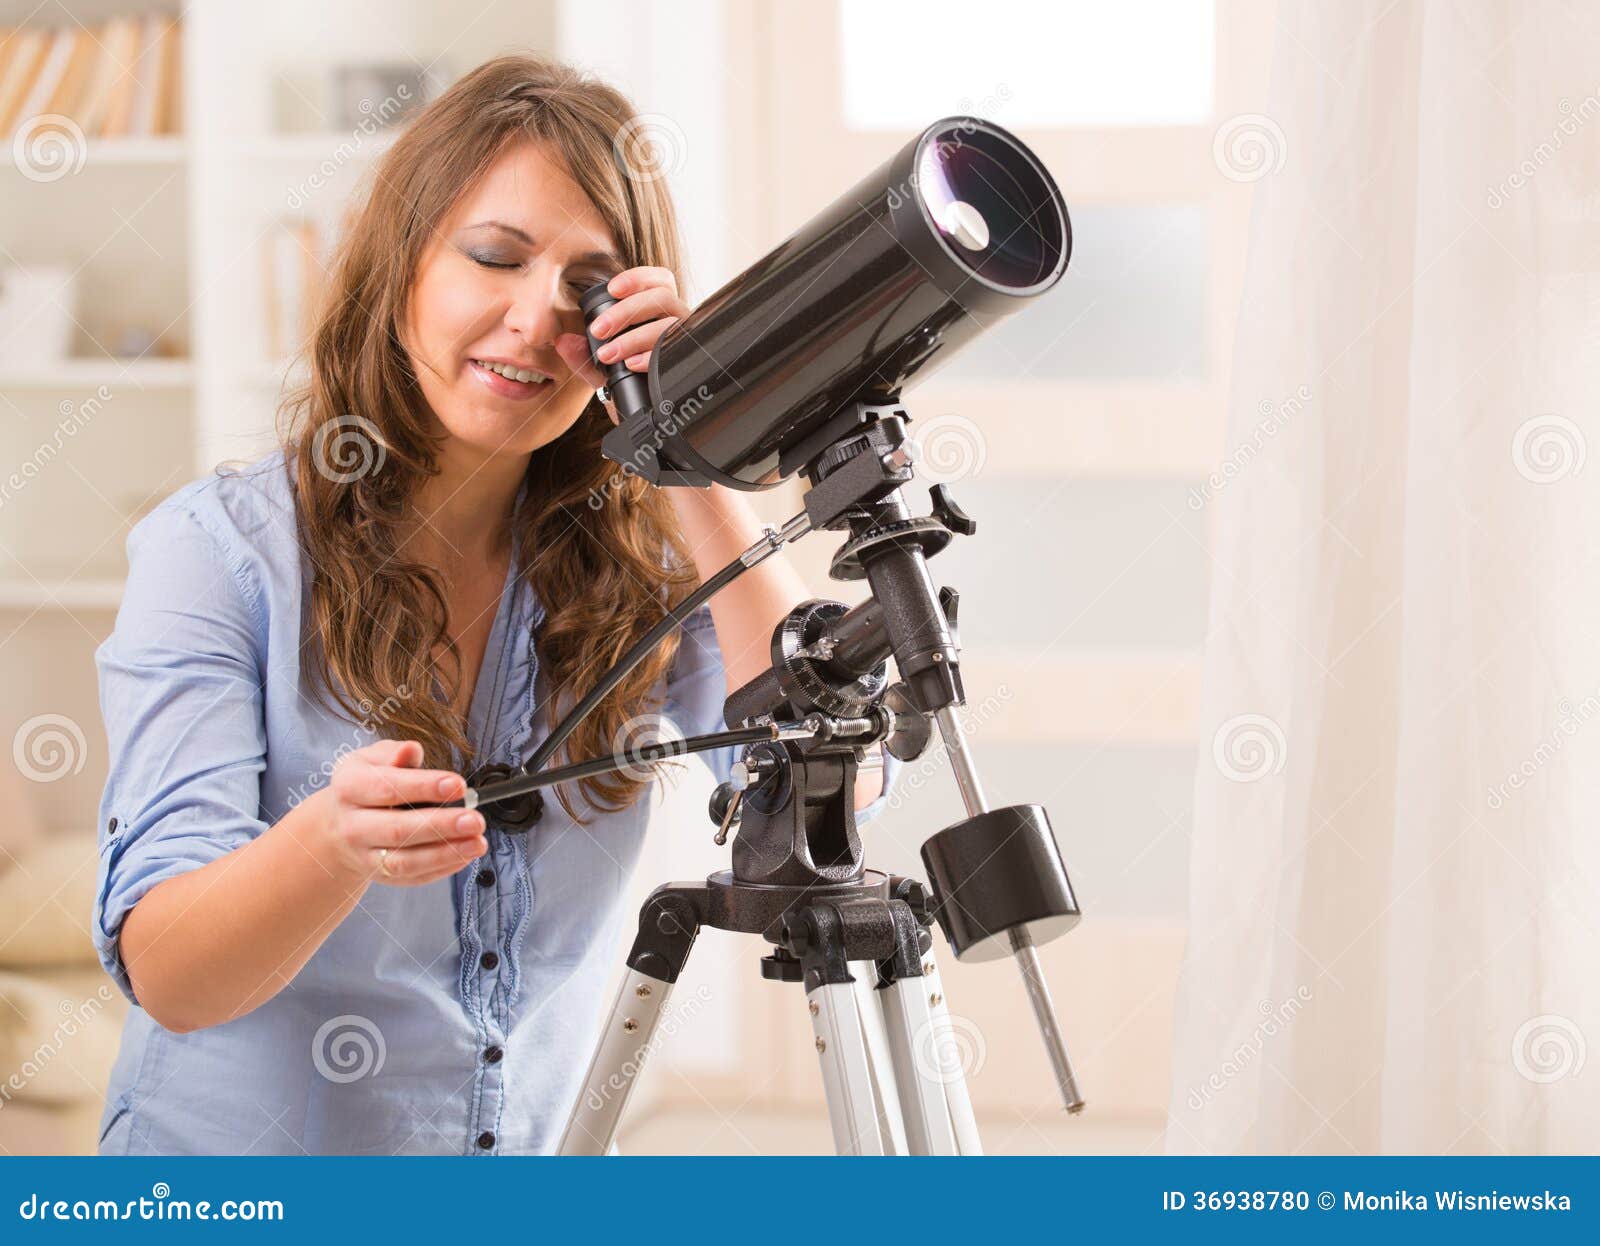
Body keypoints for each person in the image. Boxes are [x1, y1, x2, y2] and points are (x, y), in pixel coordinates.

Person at [91, 53, 898, 1156]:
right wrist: (328, 844)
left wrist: (692, 443)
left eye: (586, 290)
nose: (532, 321)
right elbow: (170, 974)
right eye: (494, 257)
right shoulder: (218, 555)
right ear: (400, 270)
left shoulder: (643, 564)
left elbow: (831, 777)